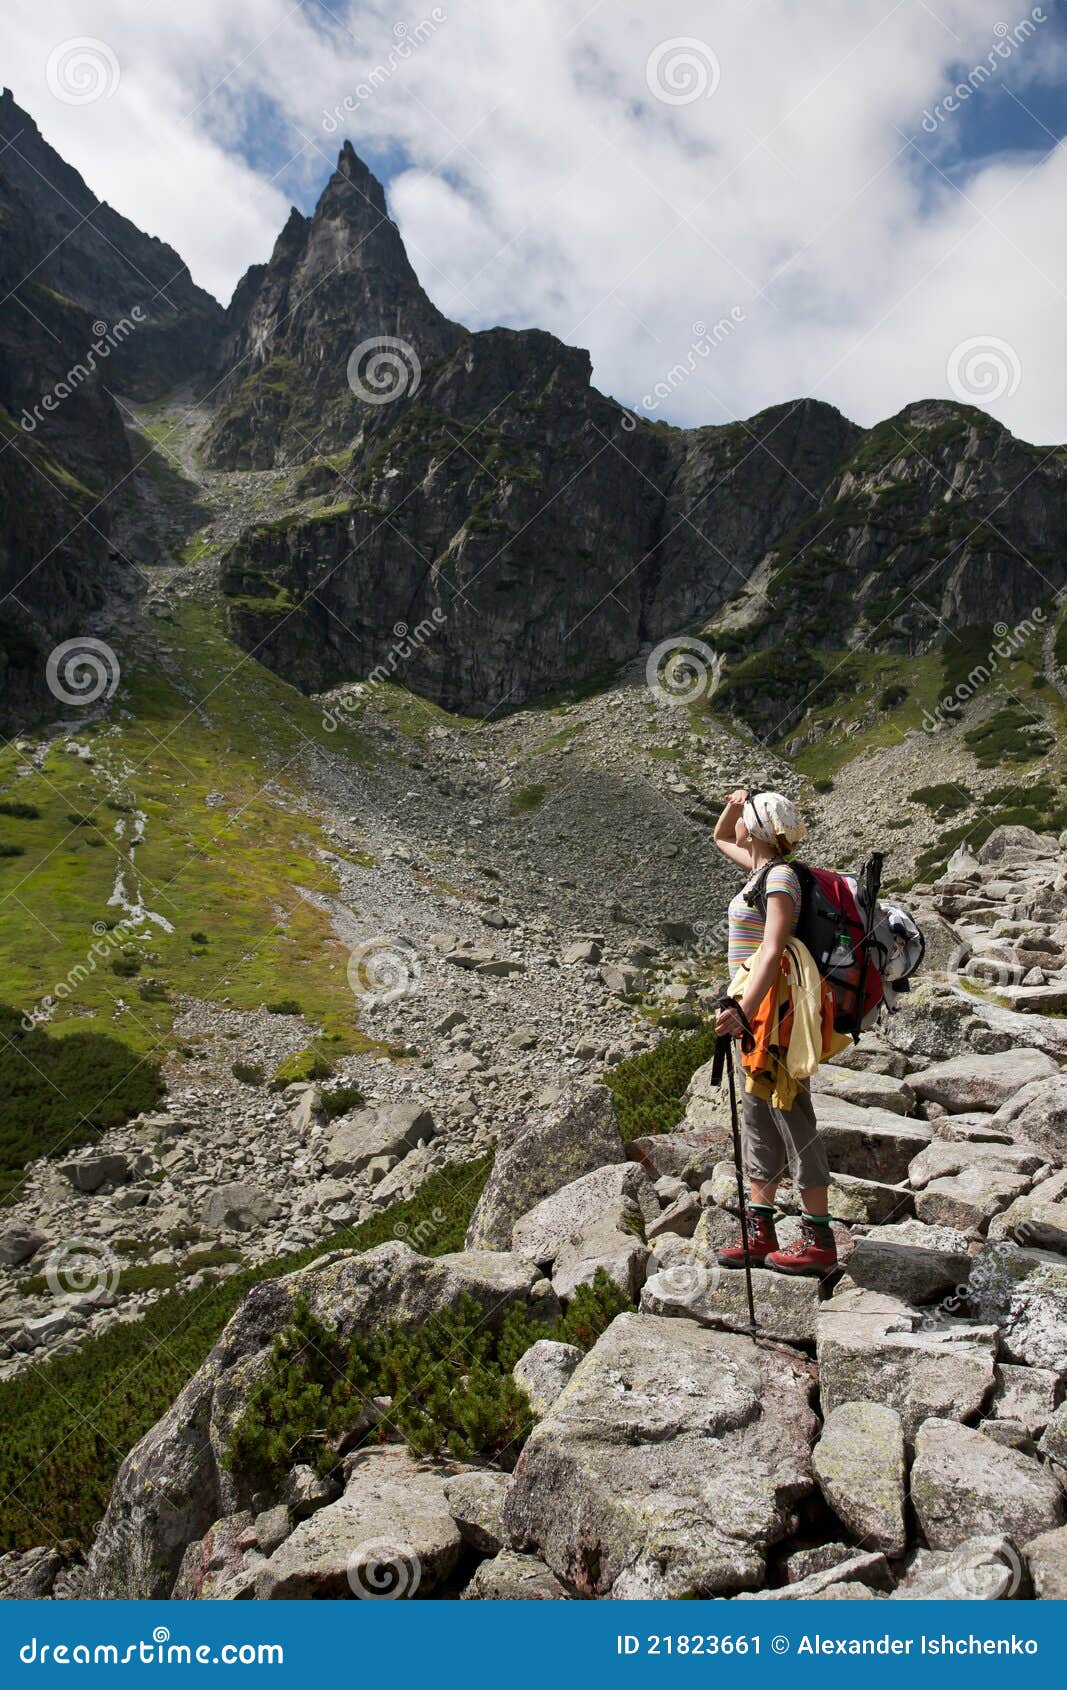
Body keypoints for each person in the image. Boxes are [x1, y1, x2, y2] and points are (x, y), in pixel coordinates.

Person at [711, 788, 837, 1277]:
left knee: (792, 1116)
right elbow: (720, 835)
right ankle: (760, 1232)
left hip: (773, 1011)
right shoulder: (760, 871)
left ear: (760, 828)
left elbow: (772, 949)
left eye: (747, 816)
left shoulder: (780, 877)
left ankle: (818, 1239)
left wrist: (742, 1008)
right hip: (758, 1012)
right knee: (759, 1117)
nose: (738, 823)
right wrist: (735, 804)